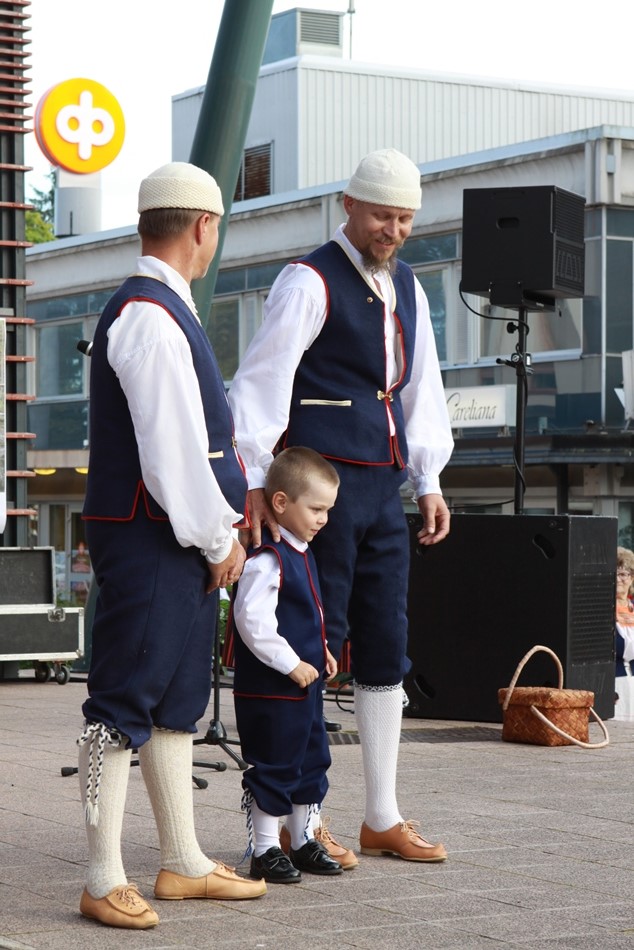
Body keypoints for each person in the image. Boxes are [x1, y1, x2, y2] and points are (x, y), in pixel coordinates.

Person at [229, 148, 454, 864]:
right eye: (384, 215)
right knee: (308, 644)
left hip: (382, 486)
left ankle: (383, 814)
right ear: (350, 207)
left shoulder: (410, 286)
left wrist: (429, 479)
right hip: (315, 496)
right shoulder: (307, 279)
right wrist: (259, 480)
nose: (395, 229)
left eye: (406, 218)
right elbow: (262, 379)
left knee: (387, 641)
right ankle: (303, 817)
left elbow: (422, 388)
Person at [78, 162, 267, 931]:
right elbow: (176, 453)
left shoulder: (154, 307)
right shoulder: (153, 316)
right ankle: (100, 877)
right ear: (204, 227)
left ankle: (182, 863)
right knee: (120, 703)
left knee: (174, 702)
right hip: (155, 537)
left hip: (165, 538)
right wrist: (219, 535)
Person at [231, 446, 344, 883]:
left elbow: (308, 614)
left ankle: (300, 840)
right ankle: (263, 848)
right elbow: (252, 621)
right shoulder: (268, 559)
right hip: (273, 687)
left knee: (311, 759)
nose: (323, 519)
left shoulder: (302, 552)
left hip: (304, 685)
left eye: (327, 510)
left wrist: (323, 651)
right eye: (316, 508)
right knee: (275, 762)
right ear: (281, 502)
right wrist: (290, 662)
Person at [614, 546, 634, 722]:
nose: (618, 579)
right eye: (614, 574)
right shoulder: (602, 610)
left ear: (632, 578)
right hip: (614, 684)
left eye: (623, 574)